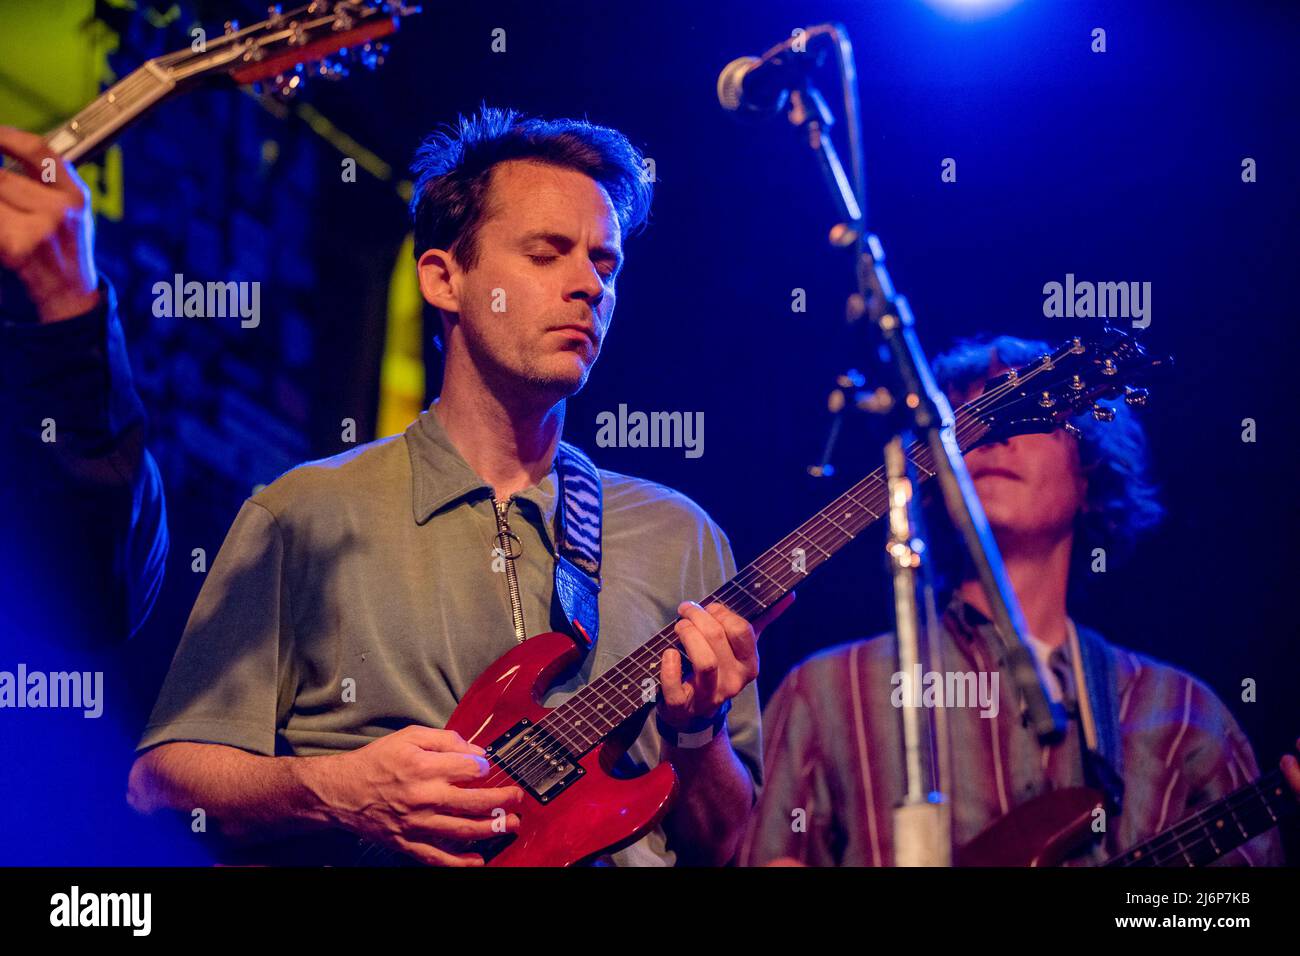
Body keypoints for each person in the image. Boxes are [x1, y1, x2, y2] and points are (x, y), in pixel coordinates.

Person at [128, 106, 789, 867]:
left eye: (605, 265)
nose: (588, 287)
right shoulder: (304, 514)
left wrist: (698, 732)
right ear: (445, 278)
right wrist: (338, 788)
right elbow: (159, 787)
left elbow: (728, 841)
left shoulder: (682, 537)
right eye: (548, 254)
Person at [742, 335, 1291, 867]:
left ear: (1092, 475)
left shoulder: (1188, 716)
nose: (993, 436)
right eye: (972, 417)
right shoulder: (827, 692)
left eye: (1031, 415)